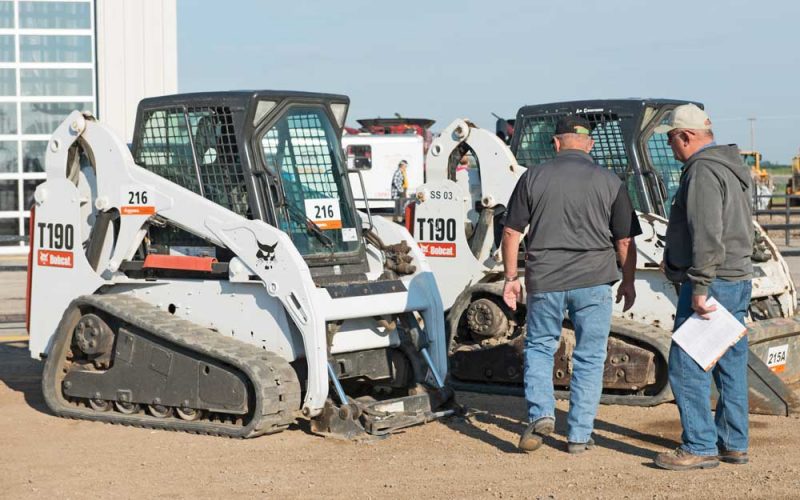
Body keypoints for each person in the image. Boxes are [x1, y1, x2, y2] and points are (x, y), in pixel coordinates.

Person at [502, 116, 640, 454]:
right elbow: (624, 241)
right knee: (590, 357)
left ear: (556, 143)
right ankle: (579, 436)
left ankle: (541, 414)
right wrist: (628, 281)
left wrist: (510, 278)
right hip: (594, 281)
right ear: (590, 145)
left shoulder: (532, 177)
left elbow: (511, 232)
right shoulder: (610, 181)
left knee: (539, 347)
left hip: (546, 279)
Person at [653, 104, 753, 471]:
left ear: (686, 136)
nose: (670, 146)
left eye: (670, 139)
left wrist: (699, 286)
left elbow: (708, 233)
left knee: (686, 365)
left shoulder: (702, 171)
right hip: (736, 277)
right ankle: (733, 443)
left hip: (714, 283)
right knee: (730, 364)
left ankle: (699, 445)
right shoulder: (730, 167)